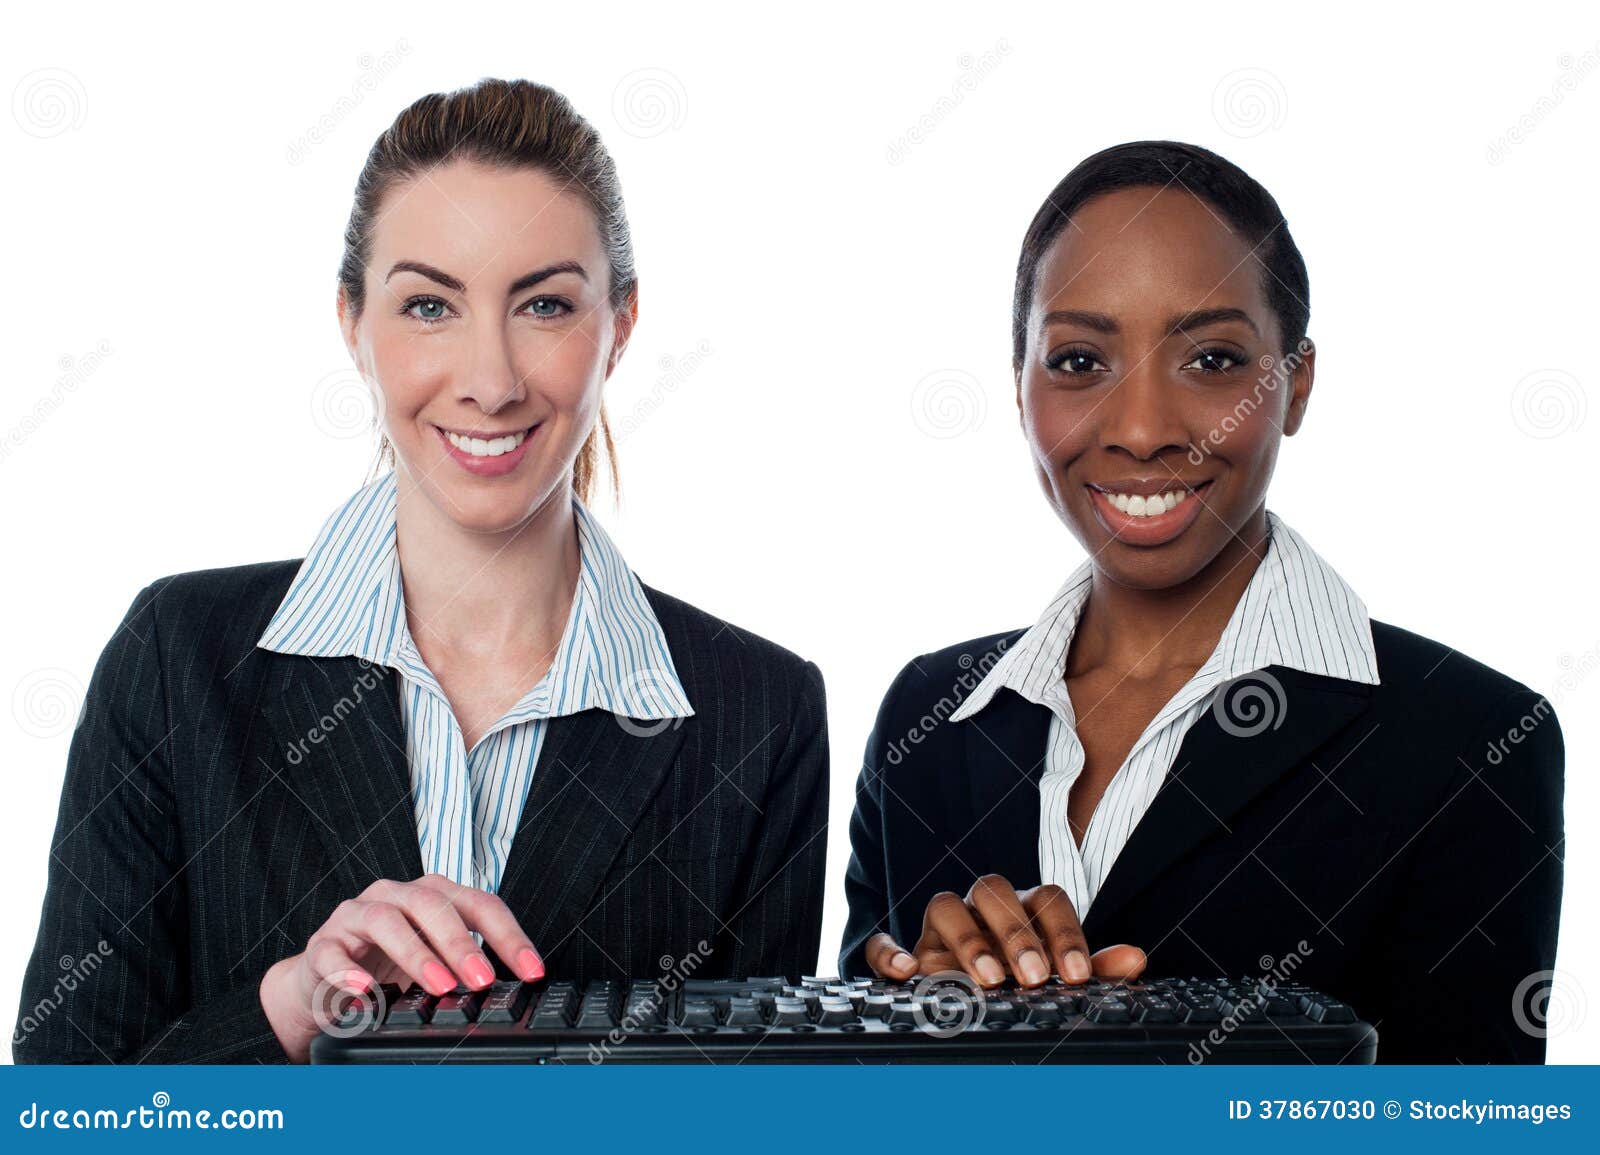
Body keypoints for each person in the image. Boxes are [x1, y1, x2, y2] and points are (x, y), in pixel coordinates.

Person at [15, 78, 828, 1064]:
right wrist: (289, 1004)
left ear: (619, 325)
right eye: (430, 304)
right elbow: (70, 1118)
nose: (490, 381)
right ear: (352, 322)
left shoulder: (758, 716)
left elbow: (745, 1126)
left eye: (544, 303)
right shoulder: (180, 661)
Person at [840, 141, 1564, 1063]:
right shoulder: (930, 718)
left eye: (1213, 357)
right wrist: (935, 1021)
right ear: (1019, 388)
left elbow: (1467, 1129)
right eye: (1077, 361)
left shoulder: (1472, 741)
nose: (1142, 429)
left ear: (1295, 382)